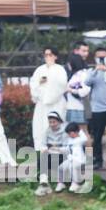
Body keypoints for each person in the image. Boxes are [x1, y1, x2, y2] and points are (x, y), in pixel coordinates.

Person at [28, 48, 69, 183]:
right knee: (41, 131)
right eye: (45, 55)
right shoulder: (39, 69)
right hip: (42, 106)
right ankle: (43, 169)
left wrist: (50, 80)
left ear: (55, 56)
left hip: (56, 104)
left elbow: (62, 85)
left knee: (57, 131)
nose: (47, 57)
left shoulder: (60, 69)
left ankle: (60, 172)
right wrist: (40, 84)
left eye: (50, 55)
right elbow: (33, 84)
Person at [58, 122, 90, 193]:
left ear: (75, 131)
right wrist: (58, 149)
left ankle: (75, 183)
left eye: (70, 133)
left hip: (79, 160)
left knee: (72, 166)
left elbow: (85, 138)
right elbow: (67, 149)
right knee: (61, 167)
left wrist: (79, 130)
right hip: (71, 159)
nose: (69, 135)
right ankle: (60, 183)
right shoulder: (70, 140)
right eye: (68, 133)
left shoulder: (80, 139)